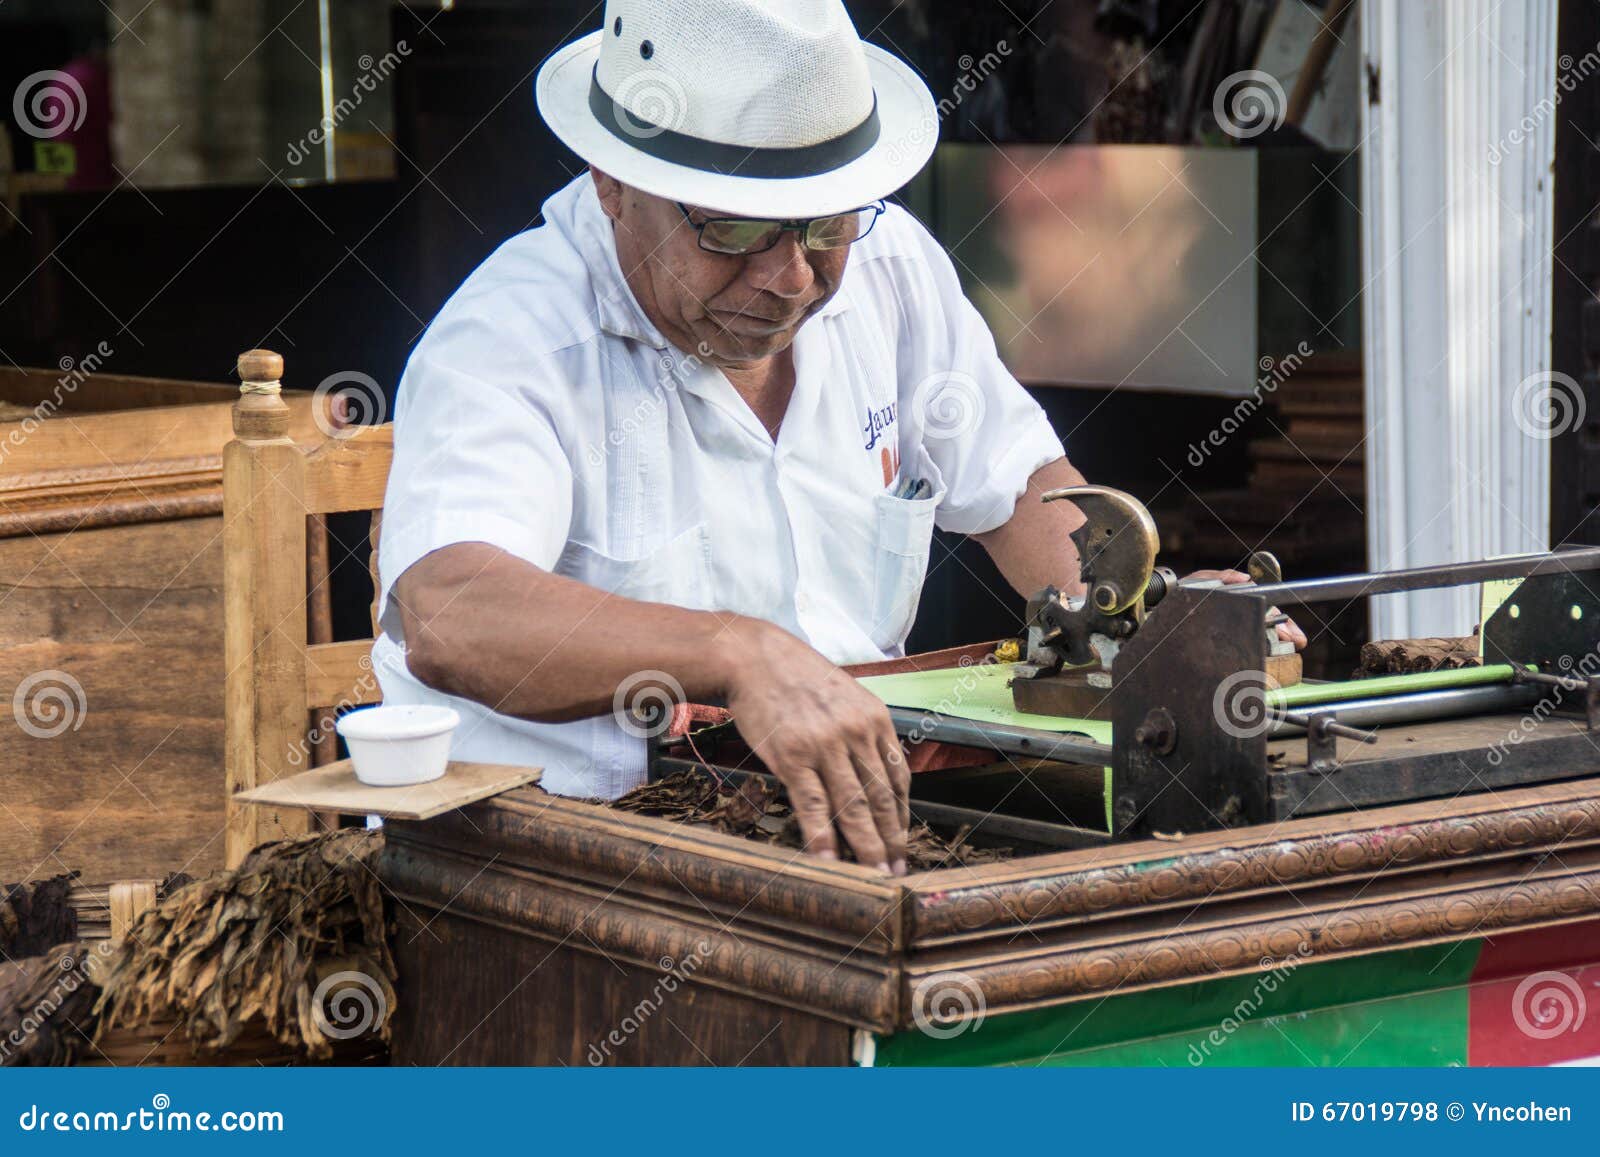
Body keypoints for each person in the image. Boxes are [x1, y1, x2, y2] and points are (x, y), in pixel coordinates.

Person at [372, 0, 1304, 876]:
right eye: (733, 228)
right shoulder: (514, 335)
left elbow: (1021, 487)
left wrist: (1137, 616)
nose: (789, 276)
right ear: (614, 184)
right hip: (562, 854)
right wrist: (741, 656)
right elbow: (452, 613)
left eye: (826, 223)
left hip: (839, 825)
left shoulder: (889, 267)